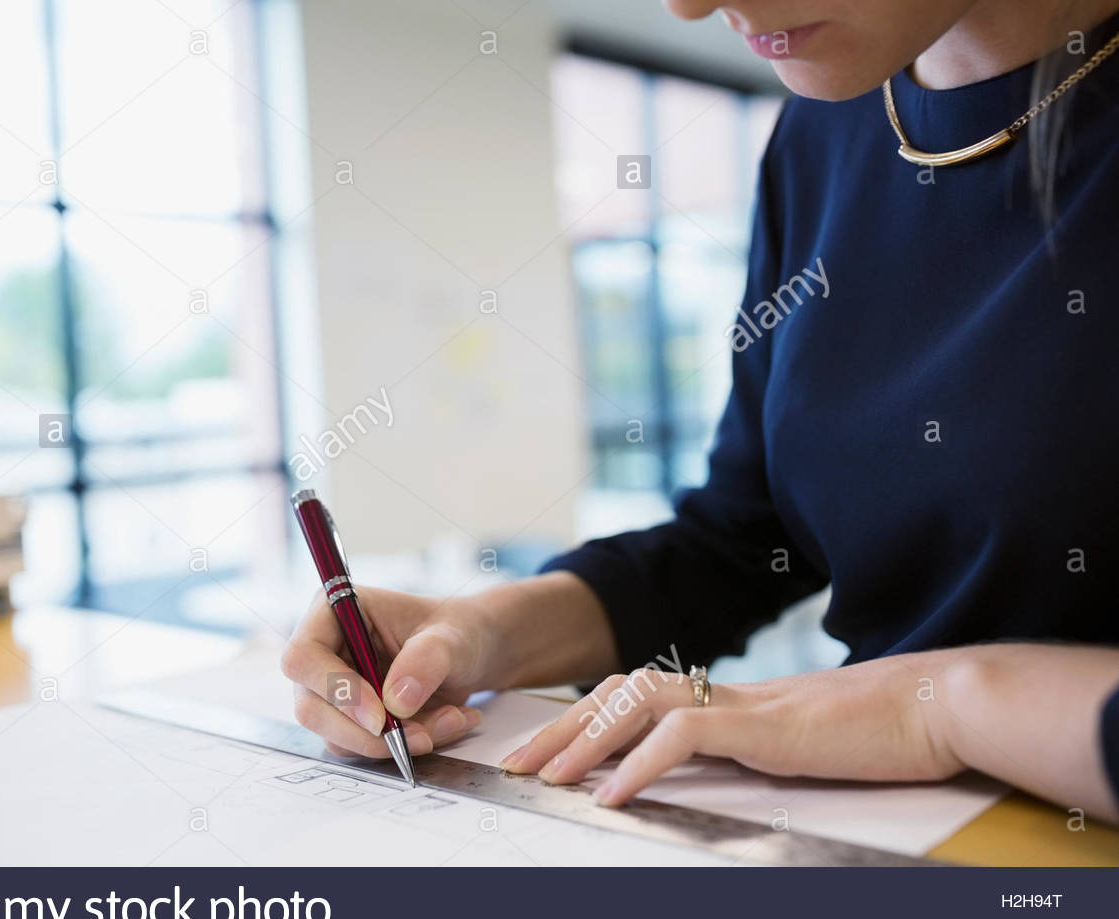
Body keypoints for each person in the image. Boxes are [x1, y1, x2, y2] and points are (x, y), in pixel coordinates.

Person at [281, 0, 1119, 824]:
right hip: (879, 836)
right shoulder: (824, 133)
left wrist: (935, 705)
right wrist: (480, 632)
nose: (689, 6)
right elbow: (743, 541)